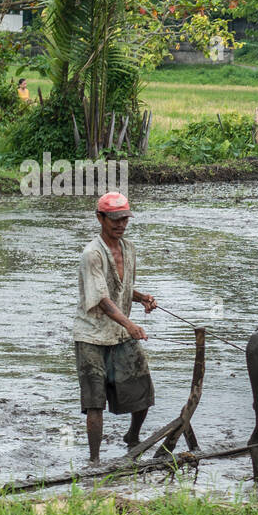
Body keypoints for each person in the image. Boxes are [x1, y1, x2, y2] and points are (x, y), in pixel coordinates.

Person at [73, 192, 157, 465]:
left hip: (120, 333)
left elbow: (120, 288)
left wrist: (142, 297)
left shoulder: (129, 248)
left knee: (142, 390)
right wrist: (131, 325)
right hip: (92, 335)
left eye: (124, 219)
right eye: (115, 219)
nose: (120, 225)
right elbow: (102, 299)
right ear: (100, 218)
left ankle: (132, 437)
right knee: (95, 403)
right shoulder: (92, 254)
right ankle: (94, 461)